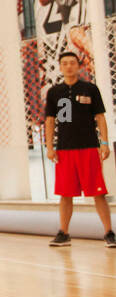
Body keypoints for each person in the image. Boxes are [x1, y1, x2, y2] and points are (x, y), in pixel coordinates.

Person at [45, 50, 114, 247]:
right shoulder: (54, 92)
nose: (68, 66)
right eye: (65, 63)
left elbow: (100, 117)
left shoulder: (90, 89)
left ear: (78, 66)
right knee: (65, 194)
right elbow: (50, 121)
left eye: (72, 63)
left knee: (98, 192)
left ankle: (109, 232)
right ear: (60, 67)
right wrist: (50, 147)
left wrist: (105, 143)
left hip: (89, 148)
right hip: (65, 150)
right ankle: (64, 233)